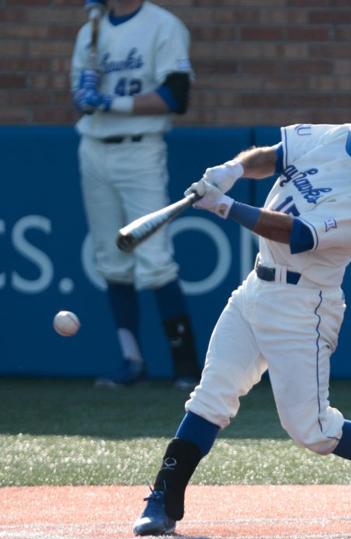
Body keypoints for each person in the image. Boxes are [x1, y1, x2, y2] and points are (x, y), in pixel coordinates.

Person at [132, 94, 351, 536]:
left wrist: (225, 206)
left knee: (311, 430)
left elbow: (296, 234)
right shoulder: (337, 138)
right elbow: (274, 156)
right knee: (212, 393)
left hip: (305, 306)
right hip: (256, 287)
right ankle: (164, 498)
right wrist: (233, 170)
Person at [70, 0, 200, 388]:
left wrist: (113, 102)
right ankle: (131, 360)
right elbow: (78, 97)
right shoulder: (89, 32)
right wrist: (85, 94)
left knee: (155, 257)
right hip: (93, 147)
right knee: (111, 258)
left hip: (141, 149)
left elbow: (177, 97)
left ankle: (186, 366)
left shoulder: (163, 26)